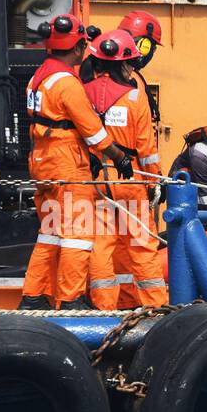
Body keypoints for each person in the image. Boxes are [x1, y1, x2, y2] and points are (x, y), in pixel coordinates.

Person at [20, 13, 134, 310]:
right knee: (77, 236)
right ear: (77, 47)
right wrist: (119, 158)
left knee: (49, 234)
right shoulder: (68, 85)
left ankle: (33, 296)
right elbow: (93, 132)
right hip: (66, 165)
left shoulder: (37, 79)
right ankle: (70, 300)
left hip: (42, 162)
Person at [81, 29, 166, 309]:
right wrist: (155, 183)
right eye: (129, 63)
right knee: (142, 247)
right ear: (122, 64)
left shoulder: (83, 93)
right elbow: (147, 148)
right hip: (130, 181)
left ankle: (104, 309)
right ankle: (155, 307)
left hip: (95, 181)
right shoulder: (134, 98)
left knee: (101, 247)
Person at [116, 10, 164, 129]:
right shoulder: (134, 82)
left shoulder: (100, 73)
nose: (153, 53)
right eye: (151, 47)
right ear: (142, 46)